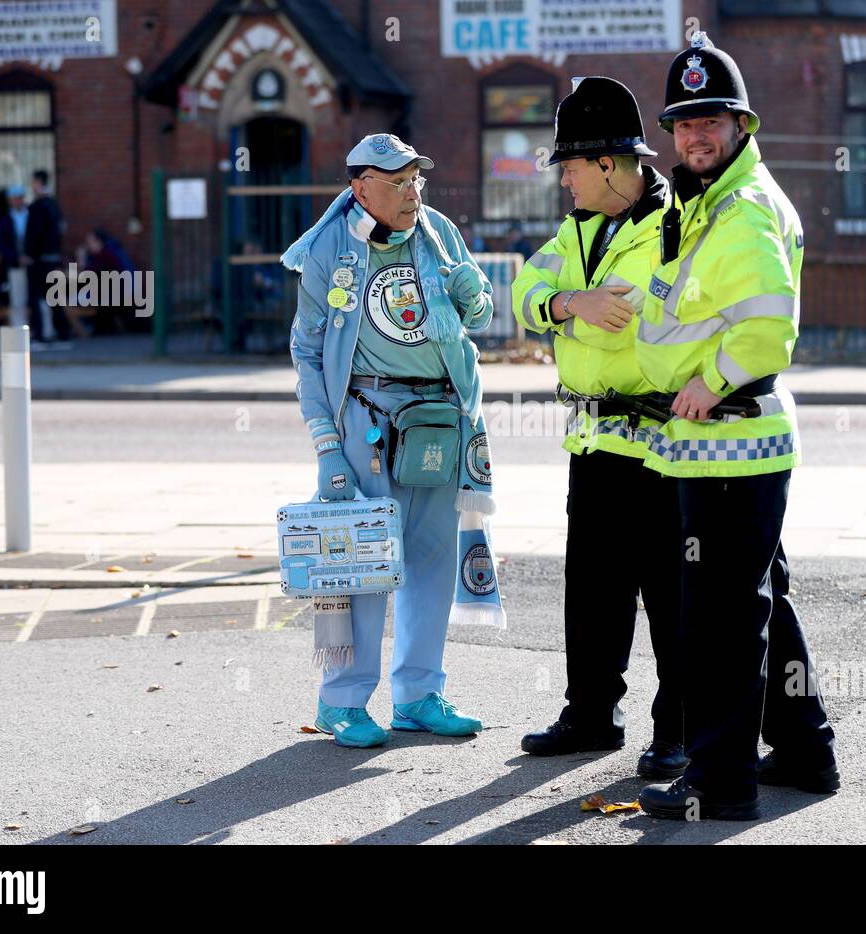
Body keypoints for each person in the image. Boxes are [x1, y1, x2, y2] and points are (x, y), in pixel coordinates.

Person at [634, 32, 838, 821]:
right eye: (683, 123)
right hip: (722, 444)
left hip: (728, 435)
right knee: (760, 602)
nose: (695, 135)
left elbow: (766, 328)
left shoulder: (743, 209)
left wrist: (707, 382)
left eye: (711, 120)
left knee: (719, 622)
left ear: (742, 126)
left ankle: (719, 786)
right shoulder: (704, 204)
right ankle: (803, 751)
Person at [283, 133, 495, 748]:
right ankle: (341, 702)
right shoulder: (328, 248)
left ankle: (419, 694)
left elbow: (480, 317)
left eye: (416, 180)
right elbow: (306, 349)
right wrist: (326, 446)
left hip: (440, 418)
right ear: (360, 187)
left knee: (432, 560)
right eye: (398, 182)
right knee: (359, 566)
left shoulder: (438, 232)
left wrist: (470, 295)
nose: (412, 192)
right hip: (366, 421)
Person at [511, 77, 685, 779]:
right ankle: (590, 716)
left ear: (610, 165)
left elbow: (644, 330)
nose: (565, 181)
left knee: (672, 595)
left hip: (661, 443)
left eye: (572, 167)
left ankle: (677, 731)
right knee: (592, 591)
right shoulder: (576, 229)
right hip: (592, 440)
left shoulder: (673, 229)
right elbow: (524, 292)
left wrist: (587, 314)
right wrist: (565, 303)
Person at [27, 170, 68, 345]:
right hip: (53, 258)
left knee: (35, 298)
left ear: (38, 182)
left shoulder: (38, 207)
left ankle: (40, 335)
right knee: (54, 297)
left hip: (40, 260)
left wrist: (29, 253)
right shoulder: (54, 205)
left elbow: (34, 233)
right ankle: (63, 333)